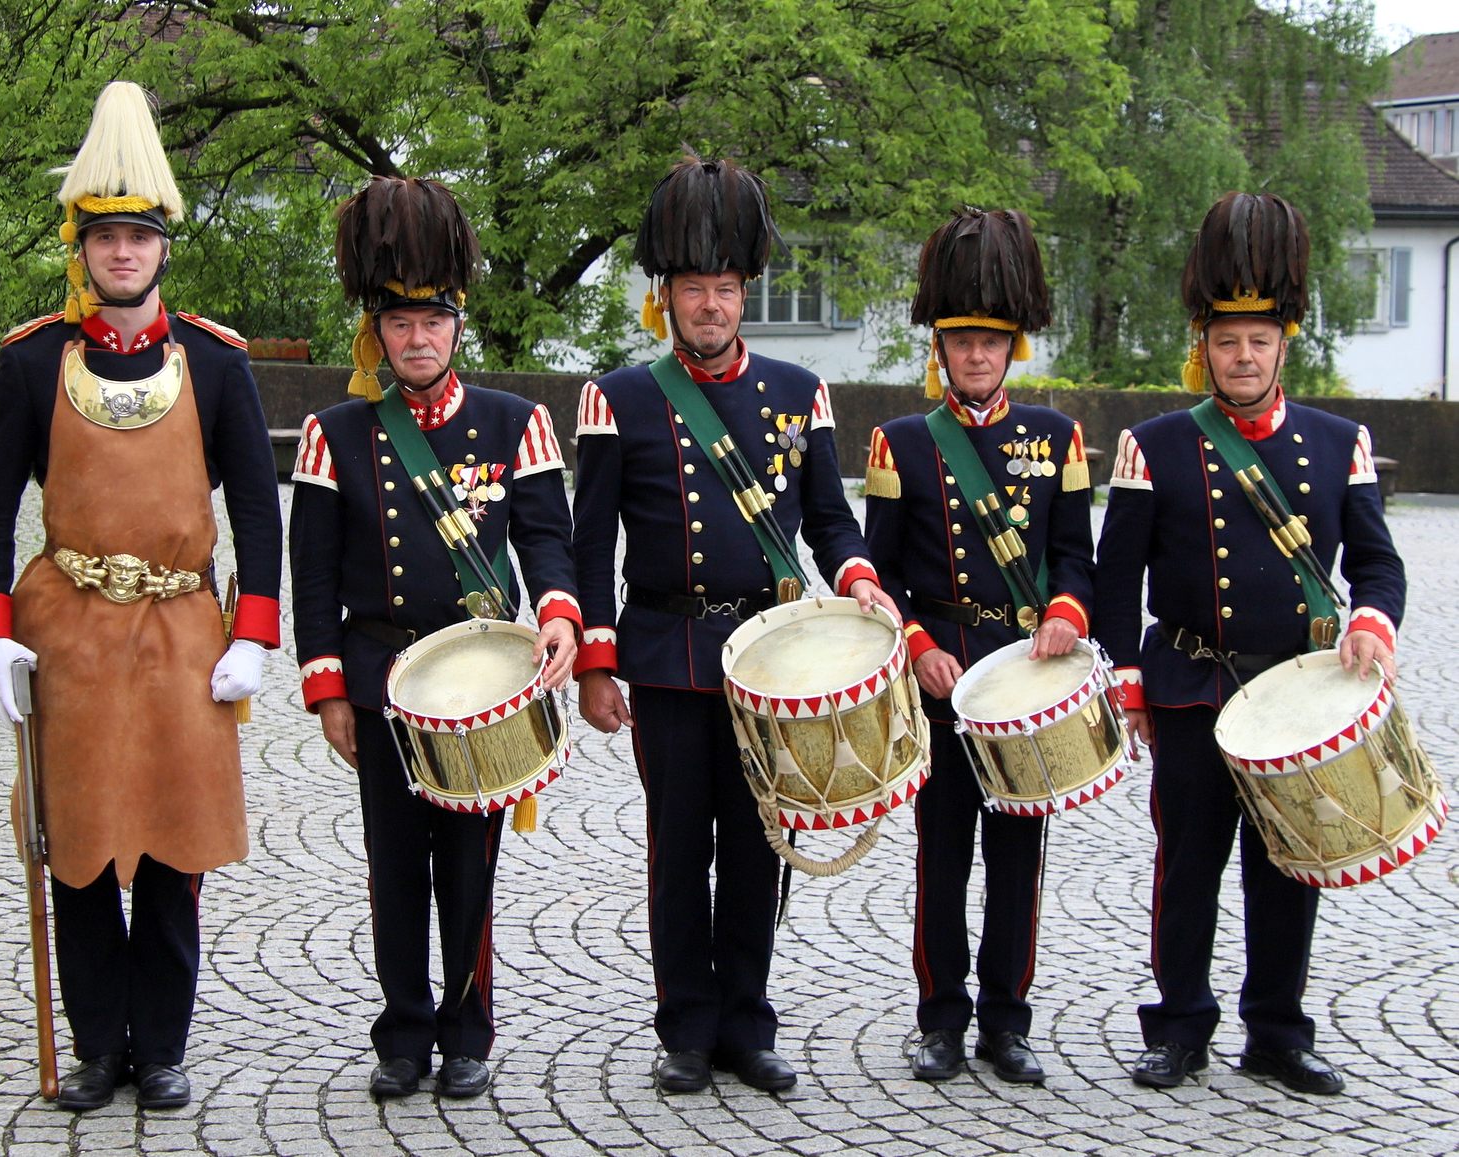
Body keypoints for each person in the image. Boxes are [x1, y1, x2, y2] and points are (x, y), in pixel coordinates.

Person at [0, 82, 283, 1112]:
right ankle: (100, 1044)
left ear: (163, 247)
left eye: (139, 237)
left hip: (184, 628)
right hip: (70, 630)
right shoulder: (29, 363)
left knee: (177, 843)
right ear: (82, 248)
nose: (124, 255)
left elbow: (261, 516)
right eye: (106, 239)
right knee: (80, 842)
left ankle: (167, 1042)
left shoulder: (221, 366)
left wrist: (257, 633)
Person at [572, 156, 897, 1095]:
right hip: (669, 656)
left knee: (760, 846)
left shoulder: (800, 390)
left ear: (743, 291)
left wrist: (862, 576)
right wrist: (598, 661)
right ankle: (685, 1026)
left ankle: (749, 1023)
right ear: (663, 295)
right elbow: (593, 545)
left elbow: (829, 519)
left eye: (724, 288)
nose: (710, 305)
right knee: (680, 848)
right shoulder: (619, 397)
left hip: (770, 661)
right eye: (692, 289)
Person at [1093, 191, 1406, 1095]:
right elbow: (1119, 580)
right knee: (1187, 867)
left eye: (1258, 341)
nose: (1242, 357)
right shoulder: (1153, 445)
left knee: (1289, 868)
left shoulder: (1338, 442)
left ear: (1282, 345)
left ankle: (1276, 1027)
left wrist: (1371, 623)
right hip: (1192, 685)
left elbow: (1379, 567)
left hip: (1297, 694)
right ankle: (1181, 1025)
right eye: (1227, 342)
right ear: (1206, 347)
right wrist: (1129, 681)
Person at [289, 176, 580, 1102]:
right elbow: (314, 574)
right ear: (375, 333)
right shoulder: (331, 433)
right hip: (378, 681)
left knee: (469, 859)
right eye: (399, 324)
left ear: (458, 325)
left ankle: (467, 1027)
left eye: (433, 322)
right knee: (393, 862)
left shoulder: (515, 422)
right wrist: (328, 687)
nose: (417, 339)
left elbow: (544, 538)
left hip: (477, 682)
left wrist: (563, 611)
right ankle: (403, 1032)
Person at [863, 208, 1095, 1086]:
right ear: (941, 344)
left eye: (992, 341)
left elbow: (1076, 555)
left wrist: (1068, 611)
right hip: (941, 678)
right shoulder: (903, 442)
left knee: (1019, 856)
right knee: (942, 853)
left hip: (1025, 678)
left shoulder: (1056, 438)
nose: (977, 357)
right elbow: (877, 577)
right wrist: (916, 643)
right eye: (961, 341)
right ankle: (940, 1018)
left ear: (1013, 344)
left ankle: (1008, 1018)